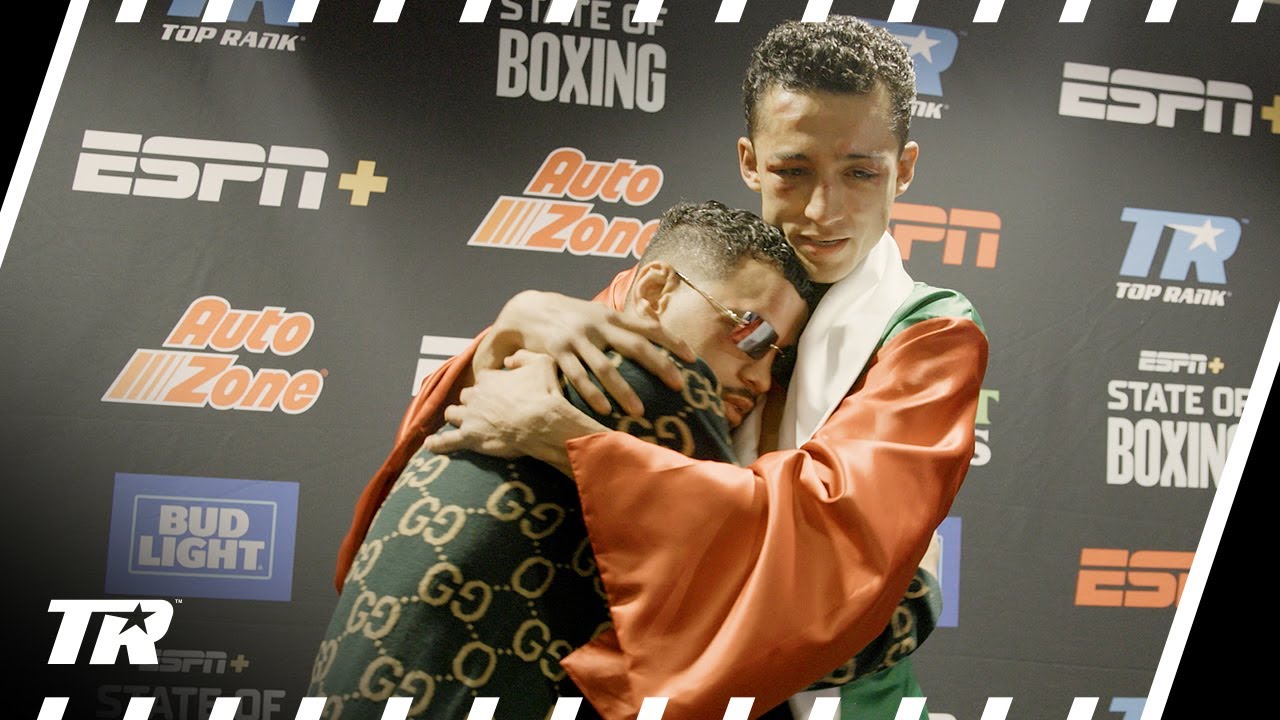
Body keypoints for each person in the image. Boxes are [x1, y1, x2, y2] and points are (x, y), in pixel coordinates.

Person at [334, 15, 987, 720]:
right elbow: (477, 430)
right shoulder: (687, 284)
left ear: (904, 169)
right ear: (750, 161)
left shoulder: (930, 333)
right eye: (793, 171)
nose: (823, 210)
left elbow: (830, 559)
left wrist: (573, 443)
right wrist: (509, 328)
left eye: (861, 172)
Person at [309, 201, 817, 719]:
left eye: (781, 361)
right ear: (654, 292)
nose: (761, 379)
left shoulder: (531, 358)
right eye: (752, 334)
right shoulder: (652, 384)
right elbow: (769, 608)